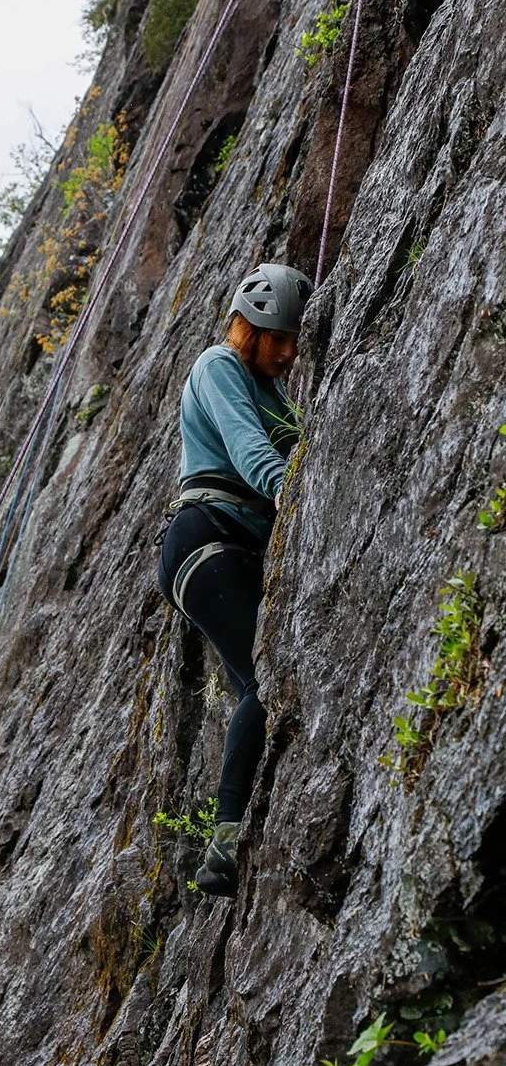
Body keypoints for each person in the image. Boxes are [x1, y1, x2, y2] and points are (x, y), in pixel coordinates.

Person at [157, 262, 313, 896]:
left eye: (293, 338)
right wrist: (298, 494)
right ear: (248, 327)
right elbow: (250, 451)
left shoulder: (275, 394)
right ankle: (222, 846)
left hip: (233, 546)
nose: (288, 350)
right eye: (277, 337)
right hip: (207, 536)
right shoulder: (218, 365)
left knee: (261, 682)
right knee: (263, 679)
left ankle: (224, 849)